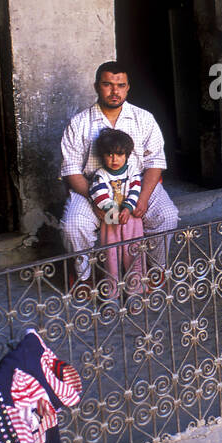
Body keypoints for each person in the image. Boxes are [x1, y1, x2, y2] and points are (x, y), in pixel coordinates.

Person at [60, 62, 180, 283]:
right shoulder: (79, 123)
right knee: (73, 226)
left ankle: (154, 270)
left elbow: (155, 161)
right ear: (97, 86)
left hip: (136, 184)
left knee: (167, 216)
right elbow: (71, 170)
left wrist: (142, 199)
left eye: (120, 85)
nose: (114, 91)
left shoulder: (144, 118)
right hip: (91, 187)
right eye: (107, 84)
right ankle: (83, 276)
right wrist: (97, 200)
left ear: (127, 87)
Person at [88, 128, 146, 292]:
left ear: (127, 155)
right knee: (111, 257)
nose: (114, 159)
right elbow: (99, 194)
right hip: (110, 219)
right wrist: (111, 211)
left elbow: (135, 190)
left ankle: (136, 290)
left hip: (132, 218)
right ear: (103, 155)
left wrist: (127, 209)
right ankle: (111, 293)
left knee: (134, 253)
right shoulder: (101, 174)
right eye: (109, 154)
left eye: (119, 154)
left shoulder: (132, 171)